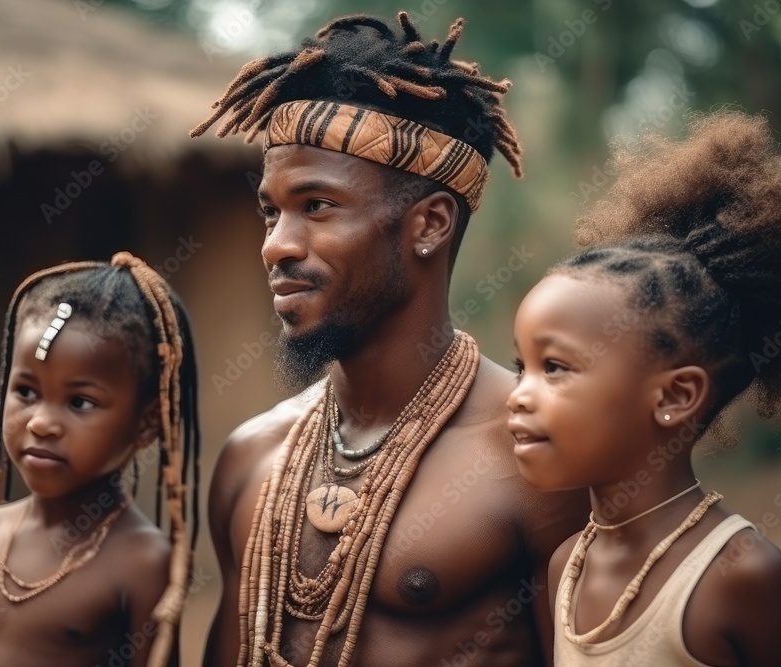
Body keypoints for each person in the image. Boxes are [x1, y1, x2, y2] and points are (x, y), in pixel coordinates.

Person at [191, 12, 589, 667]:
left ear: (429, 223)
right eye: (272, 210)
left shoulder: (535, 458)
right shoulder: (248, 460)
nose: (277, 245)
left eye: (317, 206)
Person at [506, 111, 781, 665]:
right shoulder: (565, 568)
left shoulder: (743, 577)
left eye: (554, 368)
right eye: (520, 365)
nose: (518, 394)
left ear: (675, 397)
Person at [0, 252, 199, 667]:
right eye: (27, 392)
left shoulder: (142, 564)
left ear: (146, 424)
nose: (42, 423)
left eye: (80, 401)